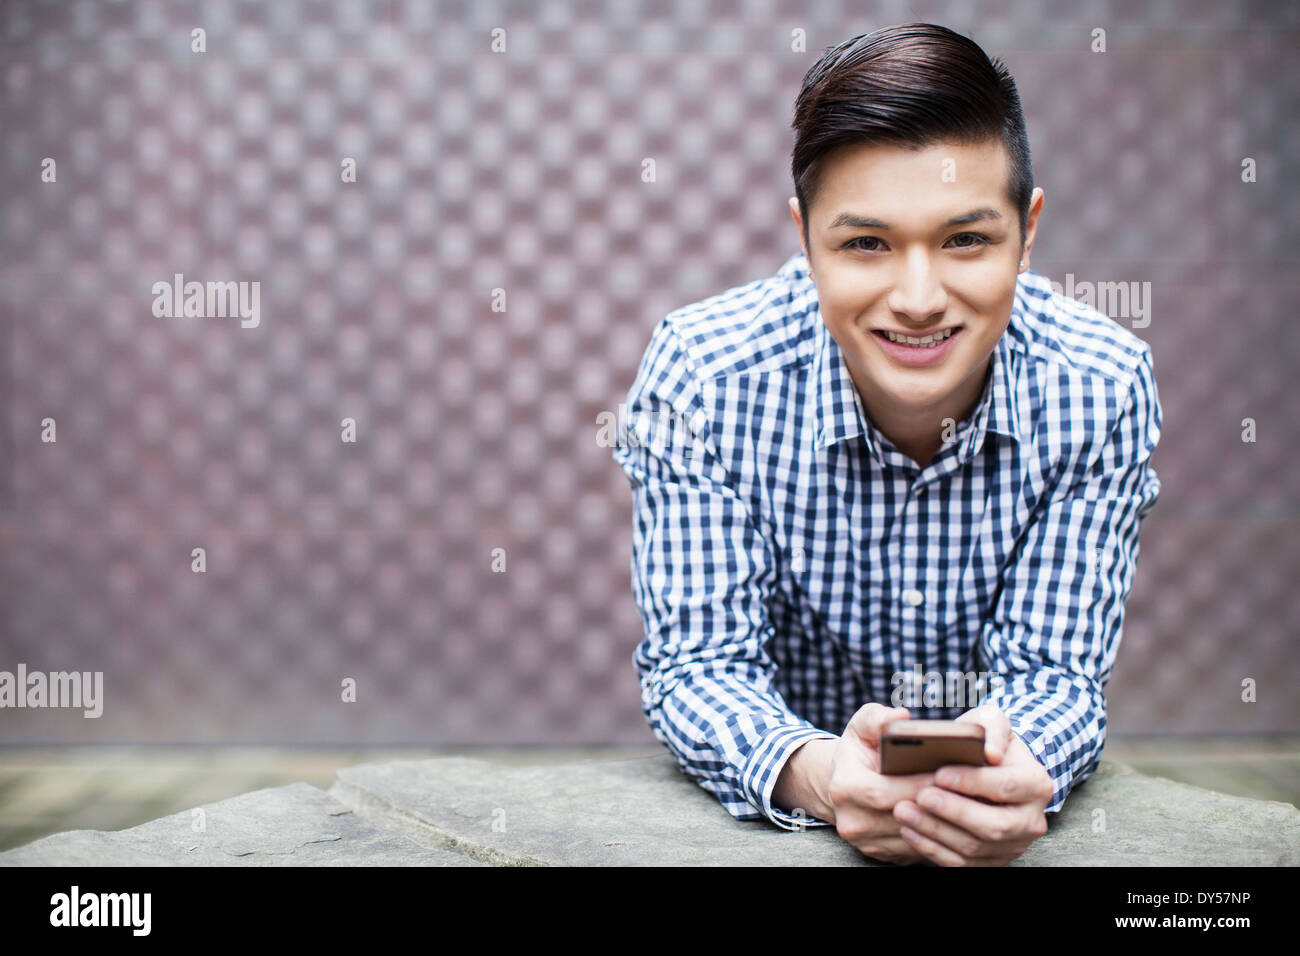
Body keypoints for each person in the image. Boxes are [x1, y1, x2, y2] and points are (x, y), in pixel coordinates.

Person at [610, 23, 1162, 866]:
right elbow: (701, 666)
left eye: (965, 240)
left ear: (1030, 230)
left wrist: (1020, 772)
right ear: (805, 238)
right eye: (866, 243)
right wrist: (821, 774)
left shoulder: (1100, 386)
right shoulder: (702, 377)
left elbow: (1056, 677)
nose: (917, 298)